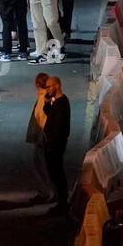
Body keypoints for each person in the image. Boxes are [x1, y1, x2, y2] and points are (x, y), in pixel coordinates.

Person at [41, 75, 71, 216]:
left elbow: (58, 126)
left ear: (56, 86)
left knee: (57, 173)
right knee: (54, 173)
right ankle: (61, 202)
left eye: (48, 87)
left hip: (55, 145)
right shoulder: (56, 102)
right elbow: (49, 113)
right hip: (52, 143)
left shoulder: (62, 103)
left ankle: (63, 203)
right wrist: (47, 102)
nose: (46, 90)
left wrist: (51, 143)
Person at [26, 73, 53, 203]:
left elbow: (42, 119)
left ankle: (45, 192)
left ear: (37, 84)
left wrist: (40, 137)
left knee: (40, 165)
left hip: (42, 137)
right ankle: (51, 192)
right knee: (45, 165)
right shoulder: (45, 97)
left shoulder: (43, 98)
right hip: (44, 137)